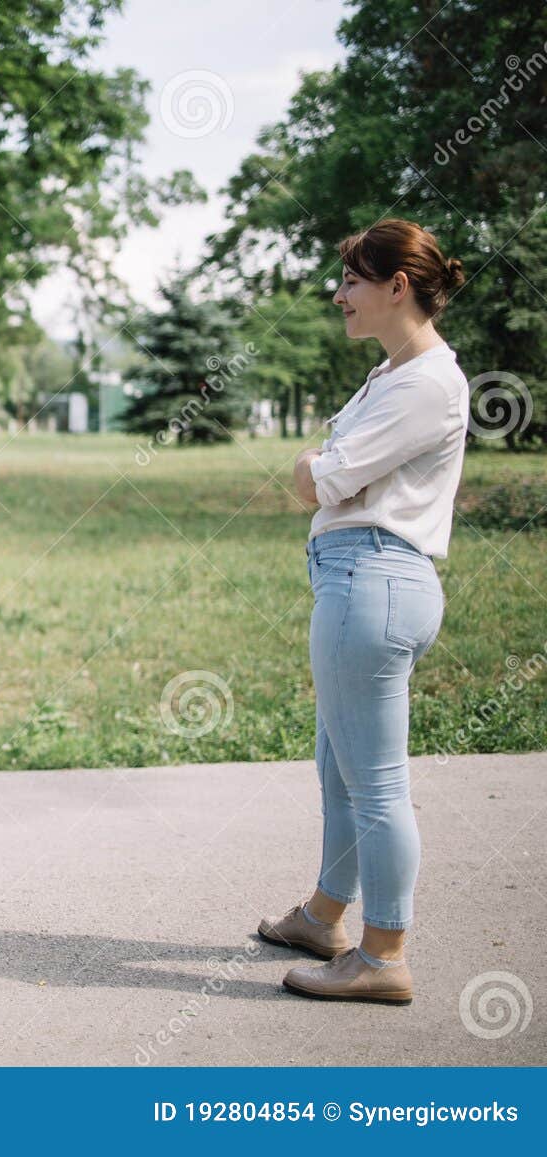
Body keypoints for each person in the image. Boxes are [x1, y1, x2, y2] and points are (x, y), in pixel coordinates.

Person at [258, 219, 468, 1005]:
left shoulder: (426, 382)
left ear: (396, 286)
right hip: (361, 579)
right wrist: (319, 467)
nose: (340, 293)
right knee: (340, 769)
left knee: (375, 782)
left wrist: (314, 466)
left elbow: (320, 479)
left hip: (372, 579)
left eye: (352, 279)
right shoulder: (392, 374)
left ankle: (383, 957)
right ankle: (323, 917)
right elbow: (326, 471)